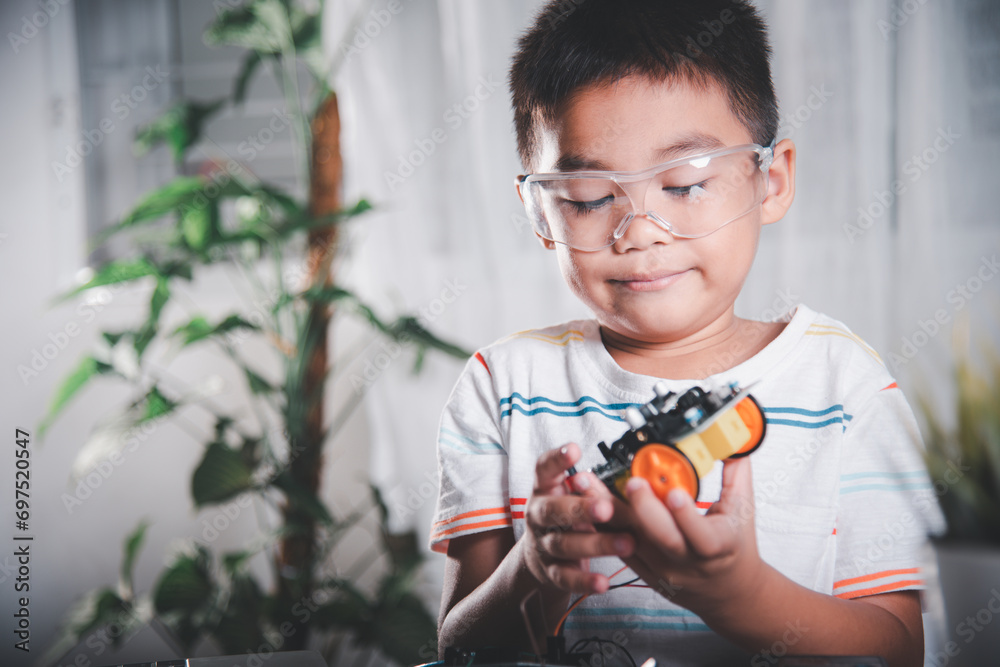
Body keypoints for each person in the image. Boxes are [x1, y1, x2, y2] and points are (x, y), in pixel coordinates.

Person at [430, 1, 943, 664]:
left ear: (772, 180)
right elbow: (455, 646)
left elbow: (900, 647)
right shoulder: (502, 386)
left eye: (685, 183)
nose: (640, 229)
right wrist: (529, 567)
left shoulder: (846, 385)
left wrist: (741, 596)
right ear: (539, 208)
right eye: (588, 197)